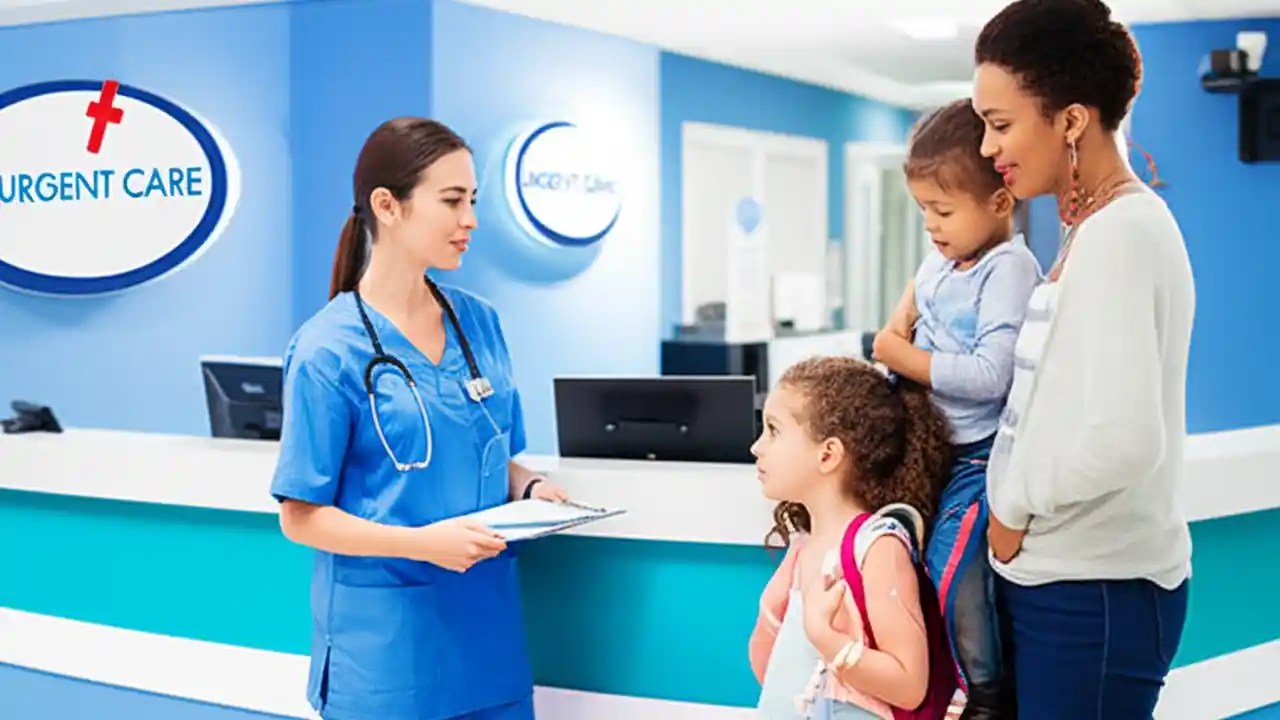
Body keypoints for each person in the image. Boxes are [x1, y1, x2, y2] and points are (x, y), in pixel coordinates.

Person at [269, 117, 569, 720]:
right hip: (386, 657)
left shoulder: (479, 323)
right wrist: (420, 544)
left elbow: (485, 447)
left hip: (488, 640)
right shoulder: (328, 349)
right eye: (453, 200)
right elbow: (300, 517)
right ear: (388, 206)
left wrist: (529, 485)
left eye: (474, 201)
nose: (471, 221)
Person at [971, 1, 1196, 717]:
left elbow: (1123, 441)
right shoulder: (1094, 230)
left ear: (1071, 120)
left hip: (1095, 594)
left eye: (1000, 124)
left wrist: (1012, 503)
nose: (985, 148)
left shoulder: (1121, 235)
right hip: (1067, 586)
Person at [872, 98, 1041, 720]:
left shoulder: (1009, 270)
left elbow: (991, 376)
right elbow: (896, 330)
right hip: (932, 447)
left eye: (942, 211)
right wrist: (894, 348)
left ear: (1000, 202)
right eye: (923, 212)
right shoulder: (939, 263)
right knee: (913, 570)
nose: (931, 227)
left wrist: (899, 351)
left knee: (953, 572)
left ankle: (989, 695)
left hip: (979, 457)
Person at [746, 356, 954, 719]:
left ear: (828, 454)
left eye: (773, 431)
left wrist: (826, 638)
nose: (757, 447)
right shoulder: (803, 549)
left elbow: (909, 685)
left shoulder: (876, 548)